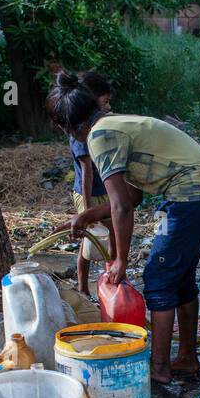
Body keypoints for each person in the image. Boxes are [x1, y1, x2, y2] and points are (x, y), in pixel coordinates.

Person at [46, 71, 200, 386]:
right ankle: (186, 358)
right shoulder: (114, 124)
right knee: (178, 274)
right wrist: (88, 215)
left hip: (191, 193)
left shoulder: (99, 137)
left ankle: (158, 368)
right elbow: (133, 195)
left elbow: (122, 206)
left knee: (157, 275)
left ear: (67, 128)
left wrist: (120, 260)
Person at [68, 71, 114, 297]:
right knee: (88, 242)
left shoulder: (98, 126)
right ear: (92, 101)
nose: (108, 106)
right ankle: (83, 288)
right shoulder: (81, 131)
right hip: (88, 194)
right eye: (105, 102)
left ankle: (112, 280)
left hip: (105, 191)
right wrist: (87, 211)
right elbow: (87, 171)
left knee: (111, 238)